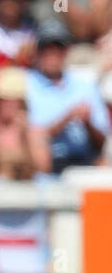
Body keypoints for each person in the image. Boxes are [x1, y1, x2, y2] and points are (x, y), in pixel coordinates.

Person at [26, 22, 111, 170]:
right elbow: (31, 135)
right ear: (37, 52)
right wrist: (66, 119)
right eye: (46, 48)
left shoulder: (86, 86)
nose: (53, 54)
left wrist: (87, 123)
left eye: (59, 48)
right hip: (43, 161)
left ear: (67, 51)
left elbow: (102, 142)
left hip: (83, 160)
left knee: (104, 165)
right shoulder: (26, 84)